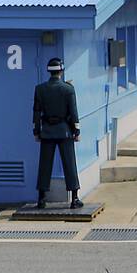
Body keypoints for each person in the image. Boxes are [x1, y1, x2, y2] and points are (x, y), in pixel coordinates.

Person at [33, 57, 83, 210]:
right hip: (64, 131)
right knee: (69, 164)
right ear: (61, 71)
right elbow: (73, 112)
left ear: (49, 71)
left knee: (44, 165)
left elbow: (36, 112)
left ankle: (41, 199)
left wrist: (36, 131)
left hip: (47, 130)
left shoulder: (40, 89)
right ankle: (74, 199)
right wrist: (76, 130)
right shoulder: (68, 89)